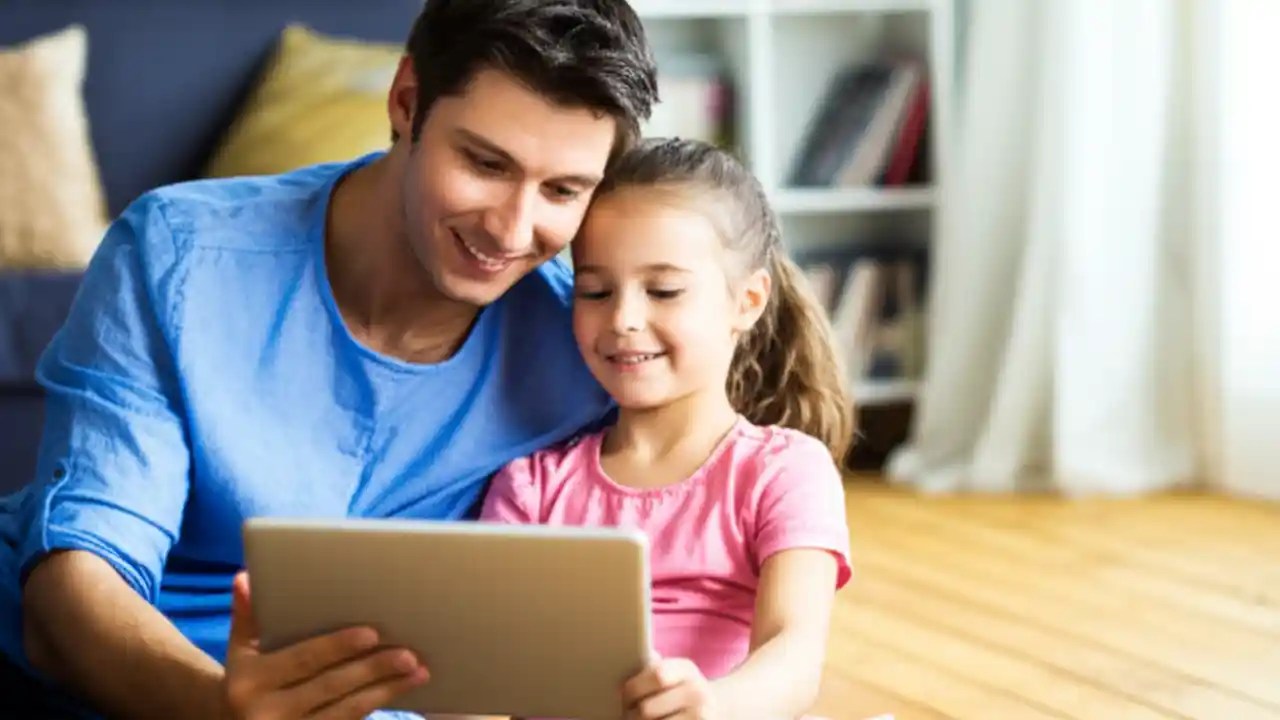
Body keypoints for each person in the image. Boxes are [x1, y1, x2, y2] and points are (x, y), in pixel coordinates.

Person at [0, 1, 658, 718]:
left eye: (563, 191)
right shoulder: (179, 256)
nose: (512, 228)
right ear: (407, 102)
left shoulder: (590, 343)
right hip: (120, 685)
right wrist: (224, 712)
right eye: (484, 163)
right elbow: (75, 589)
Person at [479, 137, 856, 720]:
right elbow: (489, 670)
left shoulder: (782, 472)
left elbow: (794, 653)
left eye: (664, 290)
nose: (624, 319)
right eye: (595, 291)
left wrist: (713, 705)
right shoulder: (531, 488)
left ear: (748, 301)